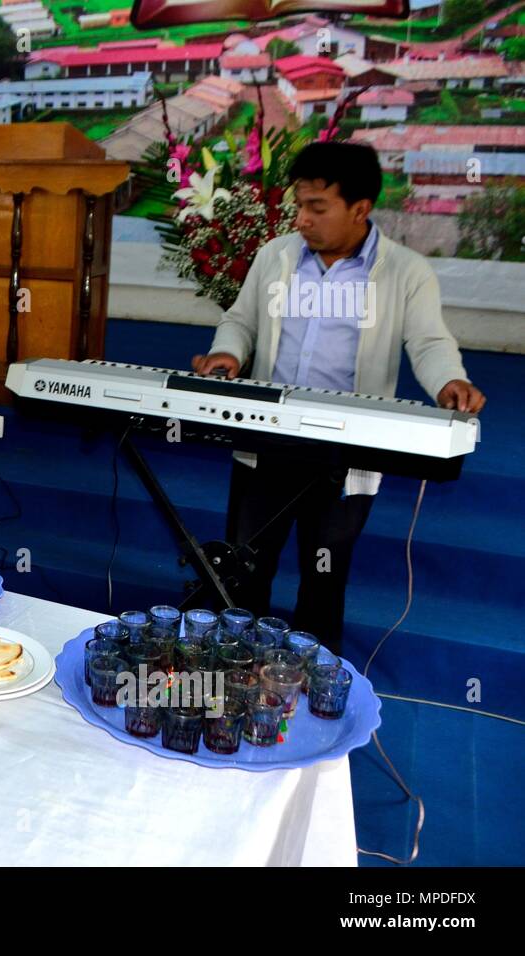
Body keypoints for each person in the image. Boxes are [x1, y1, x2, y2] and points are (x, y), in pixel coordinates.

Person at [191, 141, 486, 656]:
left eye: (317, 207)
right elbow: (240, 321)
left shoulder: (405, 271)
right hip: (268, 439)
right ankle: (234, 675)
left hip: (347, 454)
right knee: (244, 569)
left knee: (324, 576)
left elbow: (429, 341)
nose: (302, 219)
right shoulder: (275, 256)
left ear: (360, 209)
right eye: (299, 205)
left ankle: (310, 687)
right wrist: (229, 354)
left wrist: (448, 381)